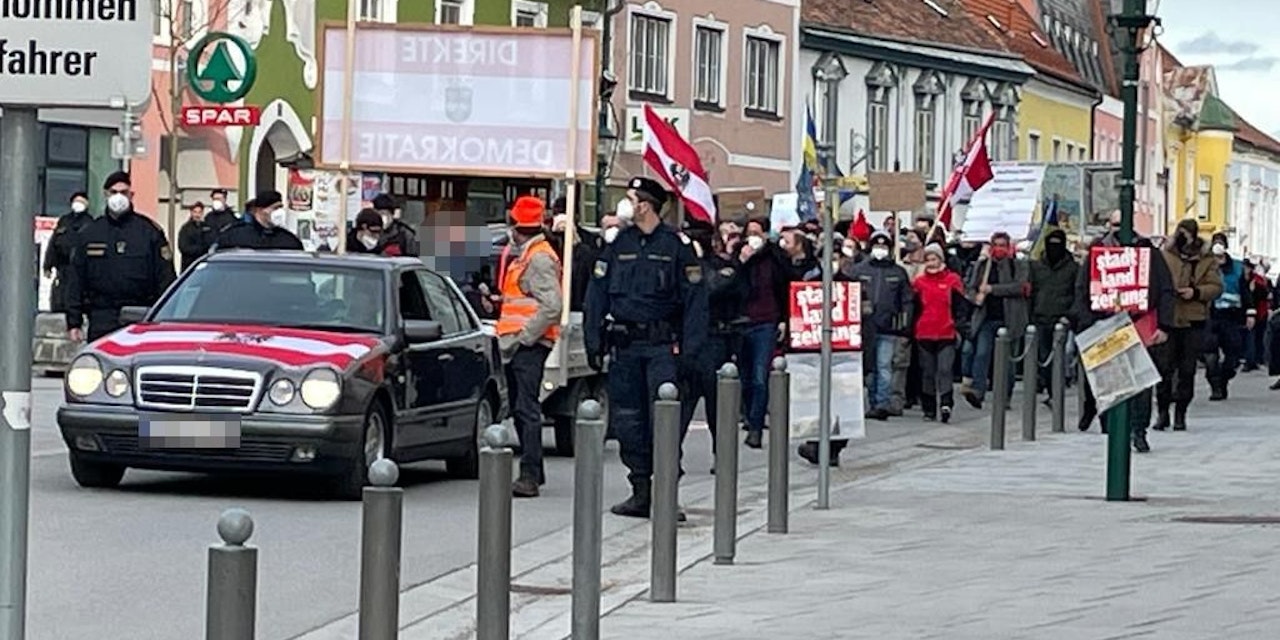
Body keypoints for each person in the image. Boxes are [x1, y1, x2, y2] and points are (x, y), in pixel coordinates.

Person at [584, 177, 708, 519]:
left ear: (645, 205)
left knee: (663, 421)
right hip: (625, 348)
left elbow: (696, 304)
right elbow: (597, 294)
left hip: (661, 348)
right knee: (629, 422)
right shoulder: (618, 243)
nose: (625, 204)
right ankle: (640, 490)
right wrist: (593, 340)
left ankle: (667, 494)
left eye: (630, 198)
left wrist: (690, 353)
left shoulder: (676, 246)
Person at [1074, 218, 1175, 452]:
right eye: (1114, 224)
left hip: (1141, 323)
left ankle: (1139, 430)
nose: (1118, 229)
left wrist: (1165, 326)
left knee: (1140, 382)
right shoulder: (1098, 252)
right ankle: (1110, 428)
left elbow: (1166, 289)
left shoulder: (1149, 253)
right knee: (1109, 382)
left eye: (1122, 223)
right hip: (1105, 323)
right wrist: (1087, 322)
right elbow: (1082, 289)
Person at [496, 196, 564, 498]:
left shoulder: (537, 257)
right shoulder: (531, 254)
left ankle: (530, 474)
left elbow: (552, 305)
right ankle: (533, 471)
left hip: (528, 344)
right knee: (523, 407)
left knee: (526, 408)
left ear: (515, 226)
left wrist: (525, 336)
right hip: (522, 342)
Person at [64, 172, 176, 343]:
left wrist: (166, 317)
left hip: (140, 316)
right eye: (113, 192)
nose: (118, 197)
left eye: (123, 192)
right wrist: (74, 322)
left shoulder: (149, 232)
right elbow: (75, 279)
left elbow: (165, 277)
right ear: (105, 194)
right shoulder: (90, 233)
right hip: (102, 315)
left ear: (131, 195)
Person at [678, 217, 747, 469]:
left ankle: (723, 457)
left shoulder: (718, 268)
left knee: (717, 405)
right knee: (682, 403)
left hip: (717, 341)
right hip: (690, 341)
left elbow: (713, 288)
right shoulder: (682, 268)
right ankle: (671, 457)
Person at [1155, 218, 1221, 431]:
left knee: (1186, 370)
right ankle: (1163, 411)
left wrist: (1196, 292)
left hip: (1193, 318)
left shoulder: (1206, 259)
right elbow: (1156, 282)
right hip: (1168, 318)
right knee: (1164, 368)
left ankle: (1181, 413)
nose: (1183, 237)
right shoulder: (1166, 256)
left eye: (1187, 233)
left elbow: (1216, 286)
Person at [846, 231, 913, 421]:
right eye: (877, 246)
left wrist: (905, 324)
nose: (880, 250)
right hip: (863, 327)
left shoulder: (898, 272)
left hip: (888, 327)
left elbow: (906, 300)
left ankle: (882, 404)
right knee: (869, 367)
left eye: (884, 247)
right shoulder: (858, 270)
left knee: (884, 366)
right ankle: (873, 400)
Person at [960, 232, 1030, 409]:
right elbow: (970, 286)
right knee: (981, 354)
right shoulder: (983, 266)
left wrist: (993, 289)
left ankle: (1004, 396)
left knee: (1007, 362)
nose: (999, 249)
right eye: (996, 245)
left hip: (1010, 319)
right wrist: (975, 296)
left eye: (1002, 245)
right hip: (987, 318)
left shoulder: (1017, 265)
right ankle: (978, 392)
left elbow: (1019, 287)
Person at [736, 218, 790, 449]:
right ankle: (749, 415)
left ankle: (756, 426)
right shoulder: (740, 257)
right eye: (750, 233)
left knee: (760, 376)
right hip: (741, 322)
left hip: (766, 322)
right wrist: (741, 261)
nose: (753, 237)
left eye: (758, 232)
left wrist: (783, 320)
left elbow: (785, 286)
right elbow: (728, 285)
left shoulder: (775, 259)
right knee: (745, 377)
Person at [911, 243, 968, 423]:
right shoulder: (919, 283)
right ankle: (928, 408)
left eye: (934, 259)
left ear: (941, 260)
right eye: (928, 259)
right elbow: (913, 307)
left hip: (946, 332)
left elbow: (961, 307)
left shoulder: (952, 280)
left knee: (944, 369)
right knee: (927, 372)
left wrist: (958, 327)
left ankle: (945, 403)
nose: (931, 263)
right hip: (924, 332)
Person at [1029, 229, 1078, 401]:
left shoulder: (1072, 268)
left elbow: (1076, 293)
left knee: (1060, 357)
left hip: (1062, 319)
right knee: (1043, 357)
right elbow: (1032, 291)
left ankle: (1055, 391)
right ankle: (1049, 388)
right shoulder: (1036, 266)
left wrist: (1070, 316)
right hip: (1041, 317)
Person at [1203, 233, 1251, 401]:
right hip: (1210, 316)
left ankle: (1223, 379)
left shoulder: (1237, 267)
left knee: (1234, 355)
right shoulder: (1204, 266)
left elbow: (1245, 292)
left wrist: (1250, 313)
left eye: (1221, 243)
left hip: (1231, 316)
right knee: (1210, 355)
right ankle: (1215, 386)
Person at [43, 191, 95, 314]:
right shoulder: (64, 221)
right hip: (63, 266)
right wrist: (48, 265)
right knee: (60, 292)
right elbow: (53, 243)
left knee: (76, 291)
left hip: (79, 266)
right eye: (76, 201)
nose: (78, 204)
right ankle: (59, 308)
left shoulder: (90, 222)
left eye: (82, 201)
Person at [214, 191, 305, 251]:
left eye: (280, 207)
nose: (279, 212)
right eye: (275, 208)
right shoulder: (234, 236)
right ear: (259, 210)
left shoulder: (289, 240)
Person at [177, 201, 212, 271]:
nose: (197, 214)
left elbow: (210, 242)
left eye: (199, 212)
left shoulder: (207, 227)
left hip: (204, 264)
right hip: (189, 265)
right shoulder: (185, 229)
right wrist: (200, 249)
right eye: (195, 212)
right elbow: (183, 247)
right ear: (191, 213)